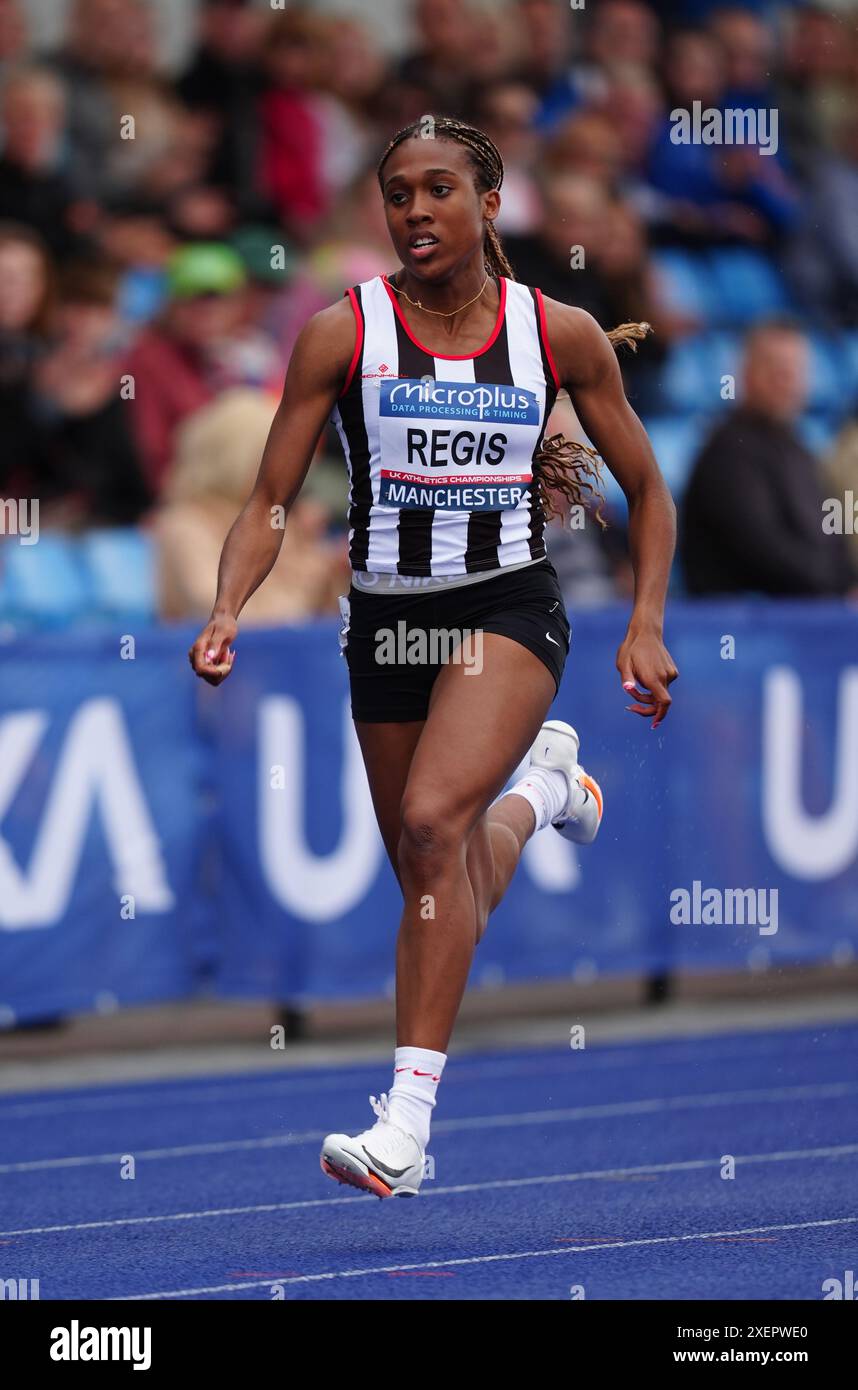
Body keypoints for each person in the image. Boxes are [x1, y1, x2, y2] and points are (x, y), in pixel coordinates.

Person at [188, 117, 678, 1198]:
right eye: (397, 193)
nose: (415, 210)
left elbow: (648, 489)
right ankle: (547, 789)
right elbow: (269, 498)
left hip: (507, 606)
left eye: (438, 189)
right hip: (387, 625)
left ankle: (405, 1127)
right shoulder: (338, 333)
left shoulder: (560, 334)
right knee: (432, 870)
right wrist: (228, 605)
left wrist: (644, 622)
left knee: (425, 824)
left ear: (490, 204)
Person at [681, 319, 854, 597]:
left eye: (795, 370)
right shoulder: (727, 453)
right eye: (774, 367)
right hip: (749, 627)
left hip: (809, 617)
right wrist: (838, 590)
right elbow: (764, 552)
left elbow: (833, 540)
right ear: (746, 373)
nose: (785, 379)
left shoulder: (799, 450)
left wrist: (848, 584)